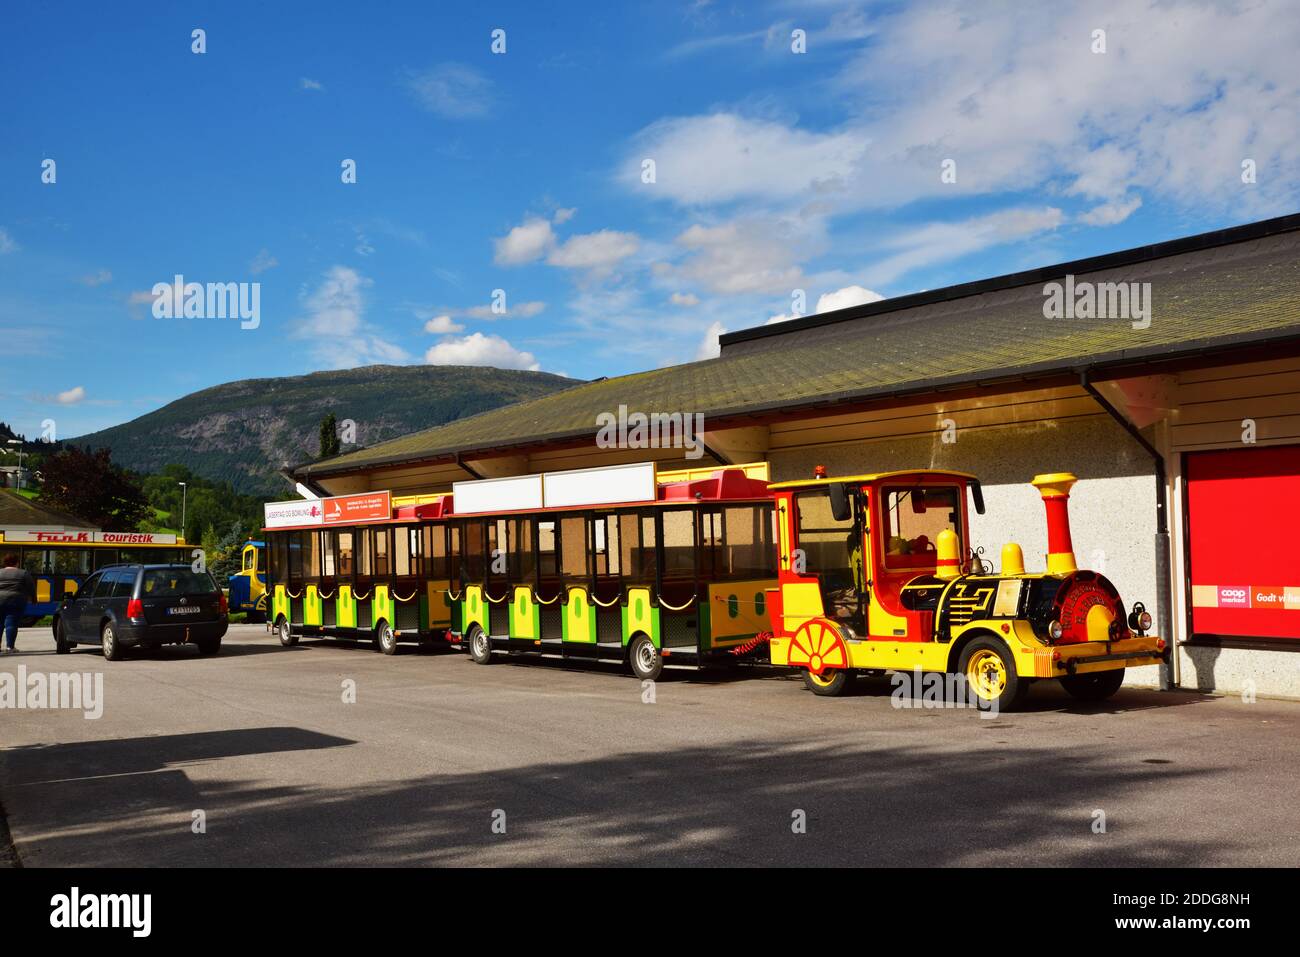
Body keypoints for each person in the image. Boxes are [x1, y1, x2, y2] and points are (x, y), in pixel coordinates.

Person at [0, 553, 36, 653]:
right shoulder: (23, 573)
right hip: (16, 600)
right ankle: (10, 647)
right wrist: (34, 599)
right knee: (11, 623)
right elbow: (31, 587)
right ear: (17, 562)